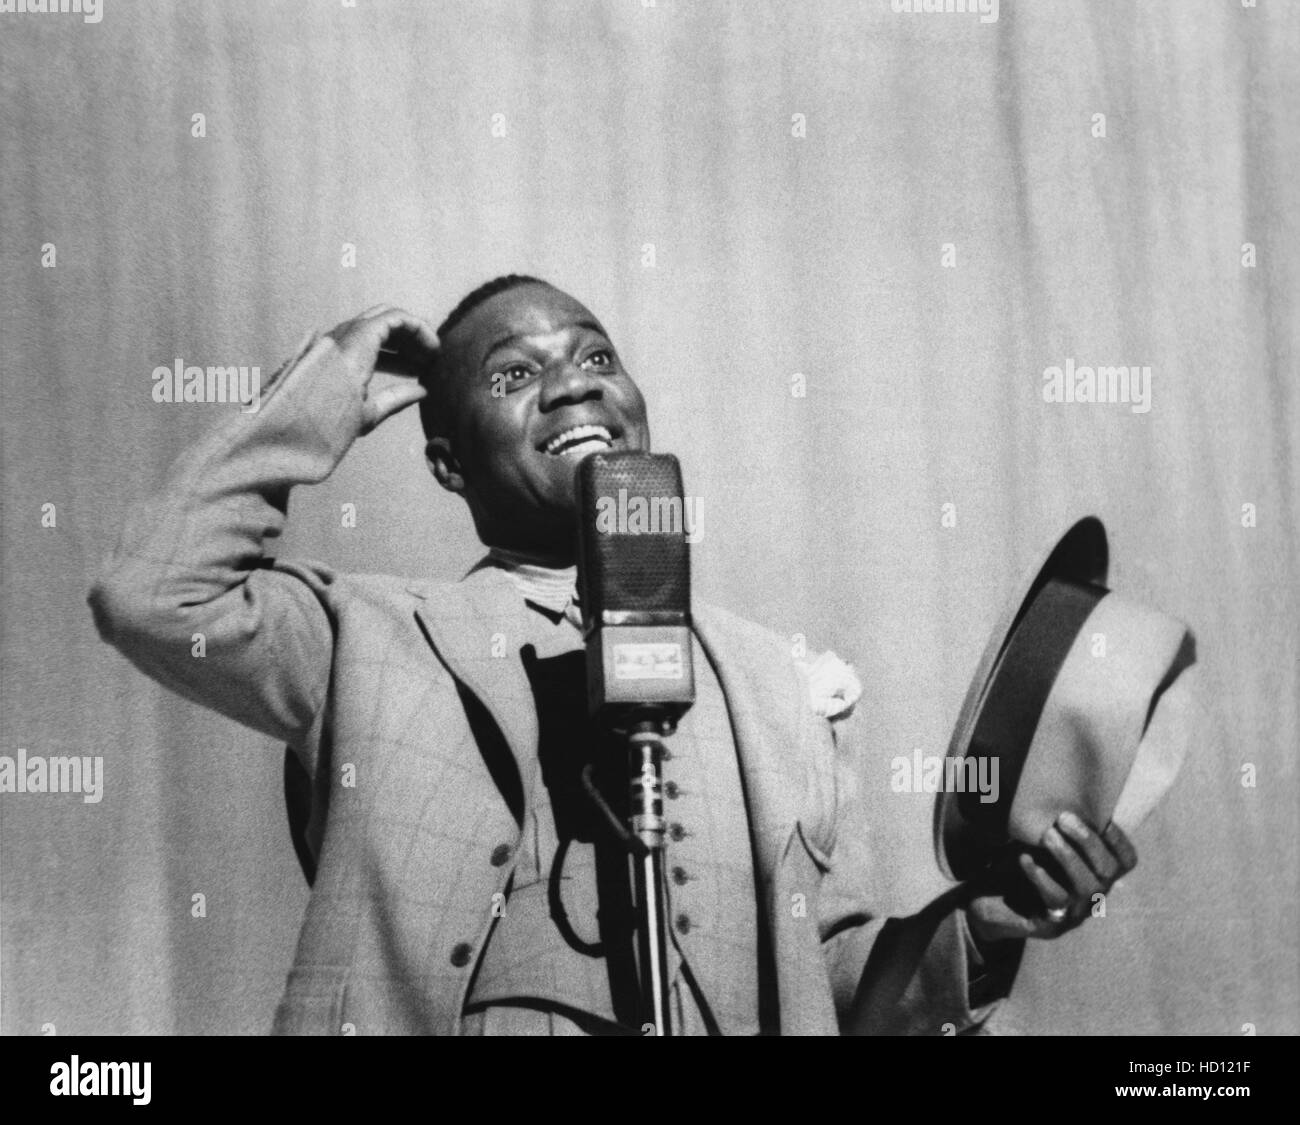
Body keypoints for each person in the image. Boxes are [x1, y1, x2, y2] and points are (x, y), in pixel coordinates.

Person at [88, 274, 1136, 1035]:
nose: (571, 387)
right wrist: (323, 389)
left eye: (595, 358)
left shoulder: (775, 682)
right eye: (513, 374)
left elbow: (848, 991)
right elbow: (151, 595)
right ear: (448, 465)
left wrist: (988, 928)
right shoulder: (365, 639)